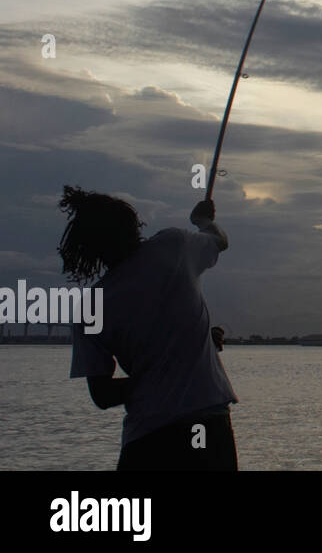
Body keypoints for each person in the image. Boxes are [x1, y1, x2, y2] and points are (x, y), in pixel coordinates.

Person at [59, 186, 238, 470]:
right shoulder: (174, 246)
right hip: (206, 428)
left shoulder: (91, 306)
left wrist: (156, 377)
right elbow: (218, 239)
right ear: (132, 224)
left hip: (147, 441)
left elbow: (103, 395)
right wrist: (202, 220)